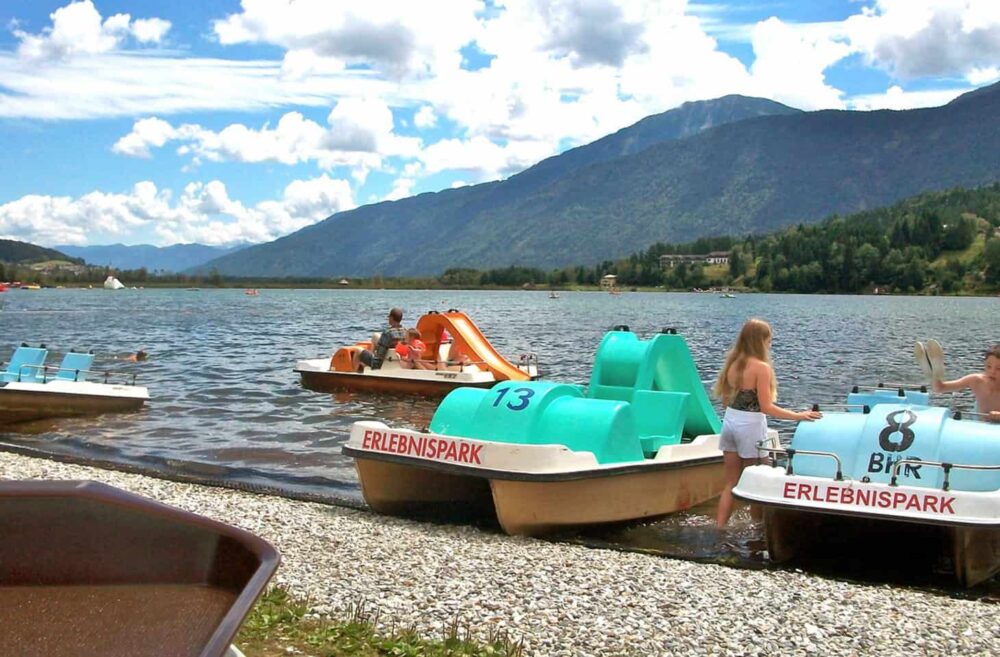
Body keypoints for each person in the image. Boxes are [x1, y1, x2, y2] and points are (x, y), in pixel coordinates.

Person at [713, 318, 822, 528]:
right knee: (757, 481)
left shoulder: (733, 363)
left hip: (730, 422)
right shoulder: (761, 368)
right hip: (750, 427)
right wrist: (799, 415)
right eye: (769, 340)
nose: (770, 344)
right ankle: (757, 529)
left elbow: (727, 398)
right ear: (761, 341)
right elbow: (766, 407)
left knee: (731, 483)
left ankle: (720, 528)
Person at [930, 343, 1000, 422]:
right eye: (989, 366)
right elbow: (940, 388)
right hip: (980, 424)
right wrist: (935, 372)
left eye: (998, 368)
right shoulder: (976, 381)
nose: (992, 372)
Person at [352, 308, 406, 372]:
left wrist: (374, 361)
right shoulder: (405, 331)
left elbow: (380, 355)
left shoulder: (387, 333)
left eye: (389, 317)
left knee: (358, 350)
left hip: (381, 362)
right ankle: (366, 362)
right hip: (395, 356)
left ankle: (355, 374)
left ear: (391, 318)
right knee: (375, 336)